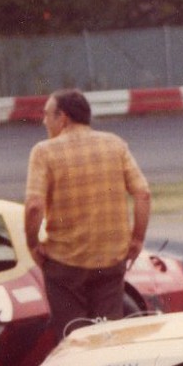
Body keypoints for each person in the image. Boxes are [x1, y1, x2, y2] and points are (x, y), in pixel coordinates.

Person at [24, 88, 151, 340]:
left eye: (47, 115)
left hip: (65, 264)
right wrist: (137, 239)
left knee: (74, 339)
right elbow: (143, 194)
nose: (43, 121)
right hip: (111, 261)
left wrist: (32, 243)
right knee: (107, 337)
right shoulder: (115, 144)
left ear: (64, 118)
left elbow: (34, 206)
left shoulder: (44, 151)